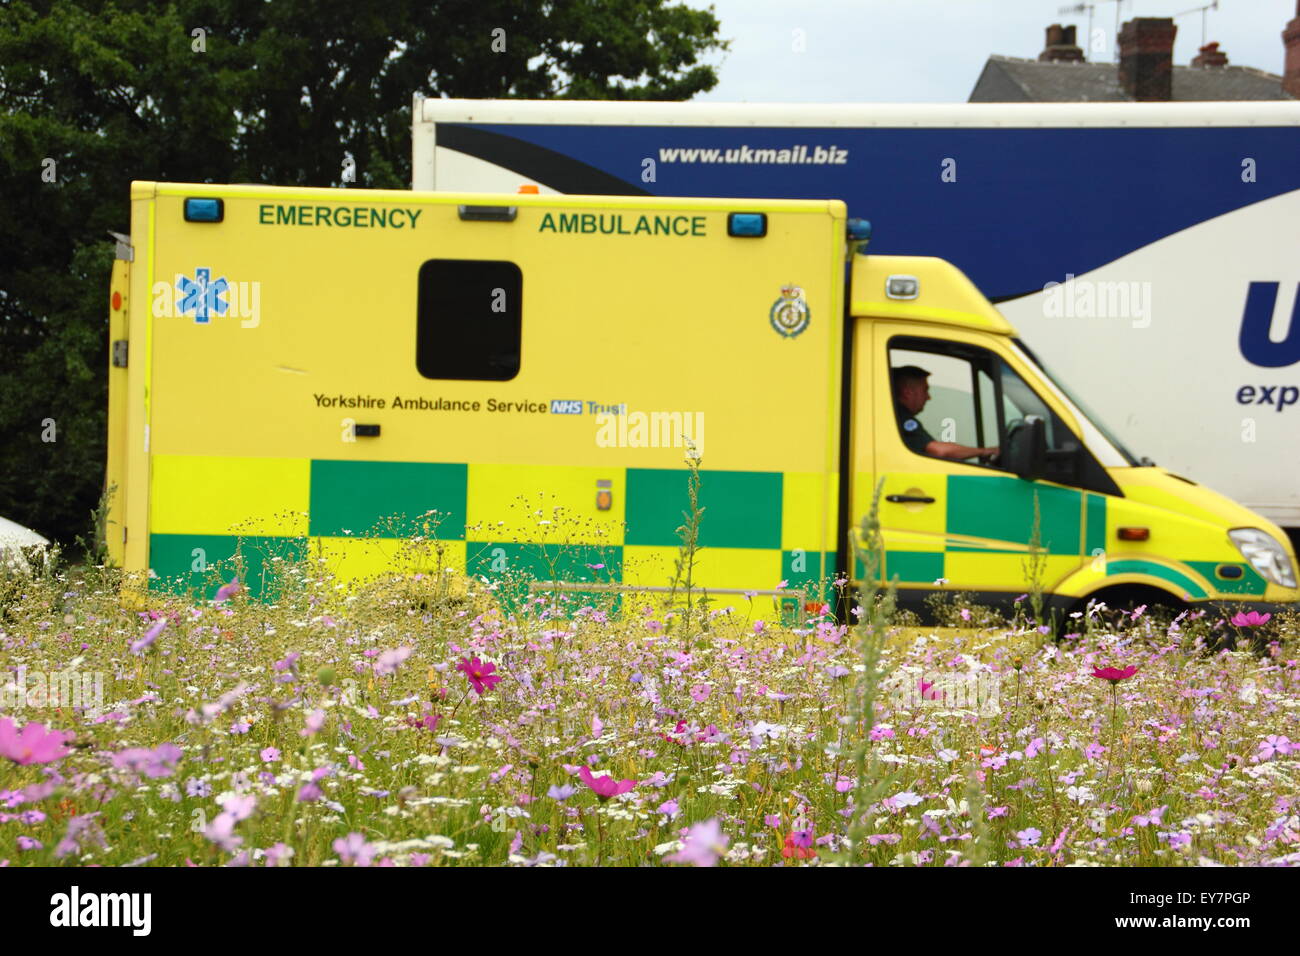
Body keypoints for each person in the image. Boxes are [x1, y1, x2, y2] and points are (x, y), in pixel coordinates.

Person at [891, 365, 999, 462]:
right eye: (925, 390)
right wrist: (984, 451)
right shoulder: (903, 419)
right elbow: (939, 451)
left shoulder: (896, 415)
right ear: (908, 393)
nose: (928, 397)